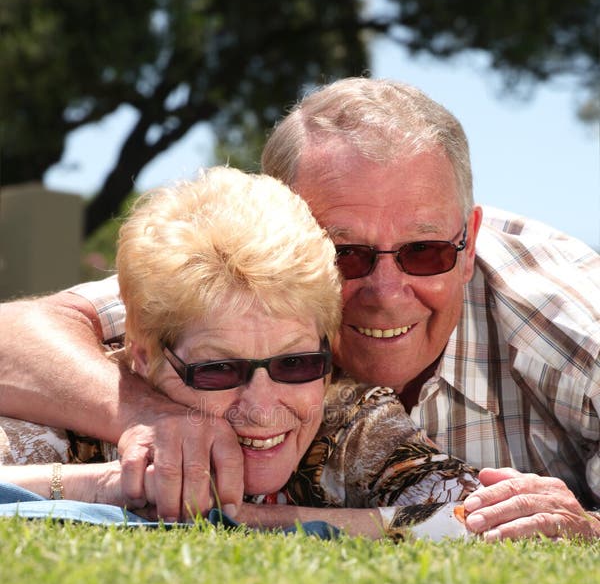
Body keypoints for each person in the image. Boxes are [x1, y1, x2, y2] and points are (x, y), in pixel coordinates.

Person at [1, 78, 599, 539]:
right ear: (276, 233)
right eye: (345, 253)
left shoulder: (571, 326)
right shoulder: (239, 285)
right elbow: (17, 337)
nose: (386, 292)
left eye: (425, 251)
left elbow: (459, 517)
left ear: (469, 240)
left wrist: (584, 526)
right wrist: (150, 422)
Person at [0, 166, 477, 540]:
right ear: (144, 358)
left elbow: (467, 515)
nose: (264, 407)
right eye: (219, 370)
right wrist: (107, 487)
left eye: (297, 363)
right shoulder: (71, 411)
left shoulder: (350, 419)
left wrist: (237, 517)